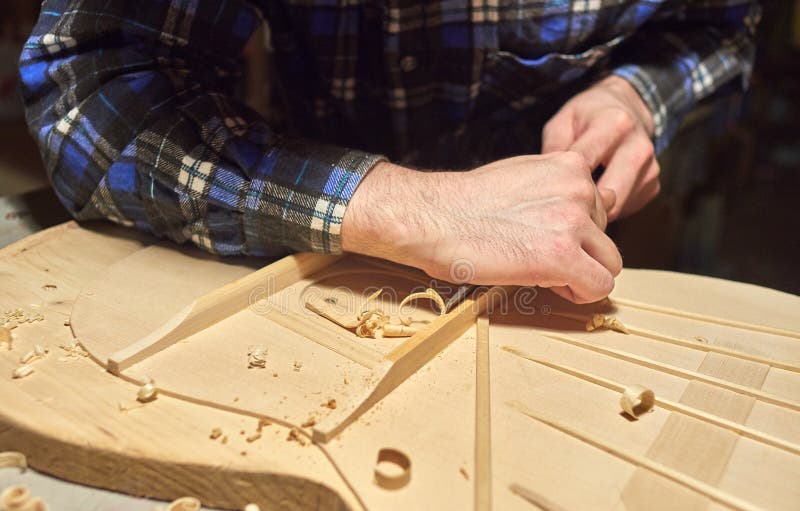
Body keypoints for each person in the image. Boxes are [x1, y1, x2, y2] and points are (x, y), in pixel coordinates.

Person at [19, 1, 759, 303]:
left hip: (563, 282)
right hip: (311, 264)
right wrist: (405, 208)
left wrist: (636, 95)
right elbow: (91, 89)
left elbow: (718, 26)